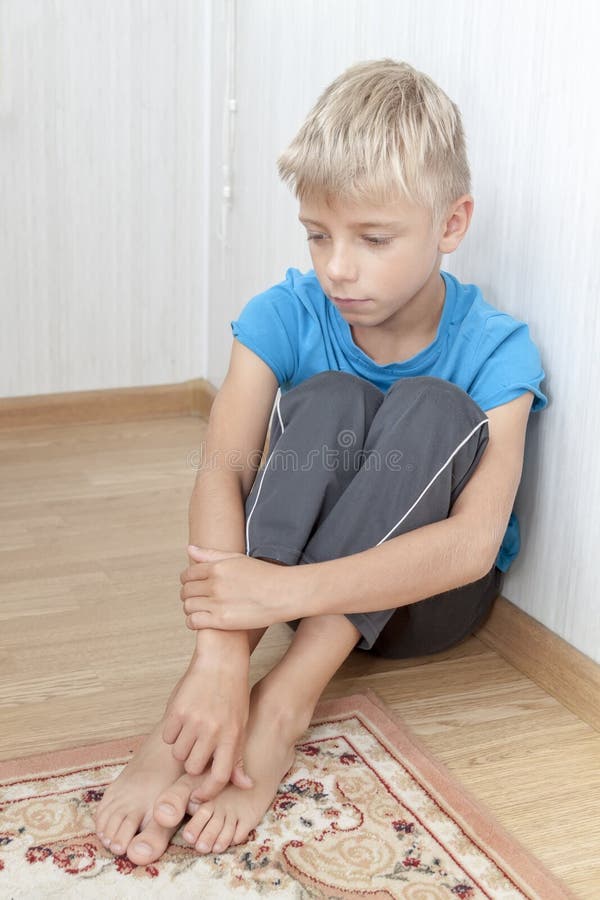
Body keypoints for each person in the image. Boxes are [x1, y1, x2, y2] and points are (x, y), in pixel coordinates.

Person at [94, 58, 547, 865]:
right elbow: (224, 469)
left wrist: (284, 592)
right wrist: (219, 657)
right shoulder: (287, 312)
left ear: (451, 224)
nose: (337, 266)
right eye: (317, 234)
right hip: (284, 587)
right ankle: (215, 695)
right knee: (331, 396)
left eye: (373, 239)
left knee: (435, 407)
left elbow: (473, 546)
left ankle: (284, 706)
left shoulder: (496, 348)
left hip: (421, 605)